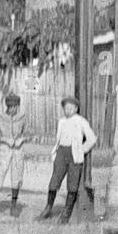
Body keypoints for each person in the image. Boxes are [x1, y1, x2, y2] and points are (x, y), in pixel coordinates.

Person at [40, 96, 96, 224]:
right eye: (66, 108)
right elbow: (59, 138)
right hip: (61, 152)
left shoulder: (81, 121)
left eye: (71, 108)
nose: (68, 110)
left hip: (74, 154)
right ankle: (48, 207)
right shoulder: (61, 121)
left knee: (72, 184)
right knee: (54, 181)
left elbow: (92, 138)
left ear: (76, 109)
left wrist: (82, 149)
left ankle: (66, 213)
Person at [0, 93, 27, 216]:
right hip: (4, 150)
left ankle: (13, 206)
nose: (13, 109)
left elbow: (28, 133)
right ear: (7, 106)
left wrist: (22, 139)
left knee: (17, 177)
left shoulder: (23, 118)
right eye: (10, 106)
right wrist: (3, 139)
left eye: (15, 106)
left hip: (18, 151)